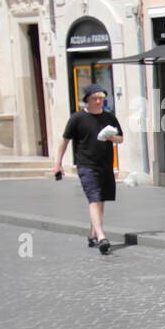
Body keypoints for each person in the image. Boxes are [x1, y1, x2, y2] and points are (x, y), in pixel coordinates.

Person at [53, 84, 123, 255]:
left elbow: (120, 139)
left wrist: (111, 137)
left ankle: (92, 233)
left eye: (101, 98)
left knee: (101, 200)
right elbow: (65, 141)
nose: (99, 101)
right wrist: (58, 164)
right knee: (94, 198)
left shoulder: (109, 118)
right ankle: (101, 237)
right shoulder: (77, 118)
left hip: (106, 164)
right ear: (87, 100)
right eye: (95, 99)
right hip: (86, 165)